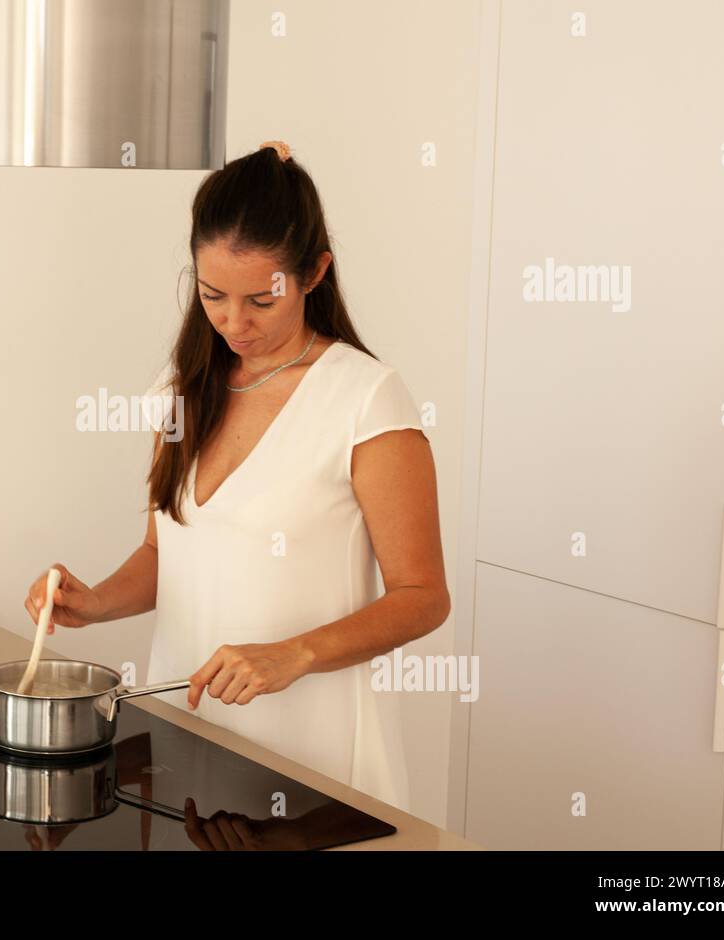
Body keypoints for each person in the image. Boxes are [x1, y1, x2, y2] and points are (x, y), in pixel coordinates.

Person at [25, 140, 449, 811]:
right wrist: (95, 602)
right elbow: (168, 552)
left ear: (314, 274)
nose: (233, 322)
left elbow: (423, 594)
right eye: (213, 295)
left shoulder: (367, 400)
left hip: (315, 757)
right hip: (186, 739)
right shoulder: (183, 386)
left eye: (260, 299)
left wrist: (295, 654)